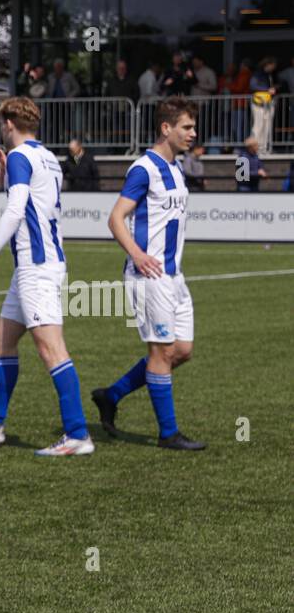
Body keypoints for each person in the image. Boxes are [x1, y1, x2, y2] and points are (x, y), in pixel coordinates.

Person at [0, 97, 94, 457]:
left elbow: (17, 209)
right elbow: (35, 201)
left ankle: (78, 434)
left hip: (36, 265)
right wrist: (6, 177)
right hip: (39, 263)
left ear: (9, 124)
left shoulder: (20, 157)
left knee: (50, 347)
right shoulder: (47, 157)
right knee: (2, 338)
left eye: (3, 124)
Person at [92, 98, 204, 451]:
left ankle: (111, 395)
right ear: (166, 128)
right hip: (149, 276)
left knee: (181, 351)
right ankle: (168, 434)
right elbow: (115, 218)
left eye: (193, 127)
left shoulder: (177, 167)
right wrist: (137, 255)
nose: (193, 133)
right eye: (186, 127)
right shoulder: (144, 168)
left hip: (174, 276)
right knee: (161, 352)